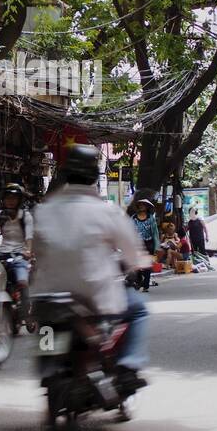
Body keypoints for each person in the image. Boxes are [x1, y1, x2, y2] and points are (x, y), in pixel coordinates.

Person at [32, 144, 151, 392]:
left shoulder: (43, 211)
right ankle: (128, 366)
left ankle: (48, 368)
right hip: (95, 296)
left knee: (46, 323)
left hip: (48, 297)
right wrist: (138, 263)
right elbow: (132, 253)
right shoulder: (106, 211)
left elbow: (37, 252)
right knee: (138, 309)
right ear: (94, 178)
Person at [0, 183, 33, 295]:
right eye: (8, 198)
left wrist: (28, 251)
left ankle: (24, 305)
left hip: (20, 255)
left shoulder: (26, 216)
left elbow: (29, 236)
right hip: (2, 254)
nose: (11, 201)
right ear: (3, 199)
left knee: (22, 282)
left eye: (14, 198)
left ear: (19, 200)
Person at [129, 199, 157, 291]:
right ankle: (139, 280)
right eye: (140, 205)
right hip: (137, 244)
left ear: (147, 207)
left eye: (143, 205)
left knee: (147, 265)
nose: (141, 206)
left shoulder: (150, 218)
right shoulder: (133, 218)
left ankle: (145, 286)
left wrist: (157, 246)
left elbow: (155, 233)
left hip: (149, 243)